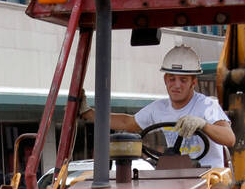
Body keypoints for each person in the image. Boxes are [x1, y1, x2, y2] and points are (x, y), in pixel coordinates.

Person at [81, 45, 234, 169]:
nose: (176, 85)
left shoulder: (207, 106)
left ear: (193, 82)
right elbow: (126, 123)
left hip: (210, 178)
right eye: (172, 79)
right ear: (165, 79)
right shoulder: (158, 109)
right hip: (176, 177)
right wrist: (88, 113)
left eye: (183, 80)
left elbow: (229, 139)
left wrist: (204, 125)